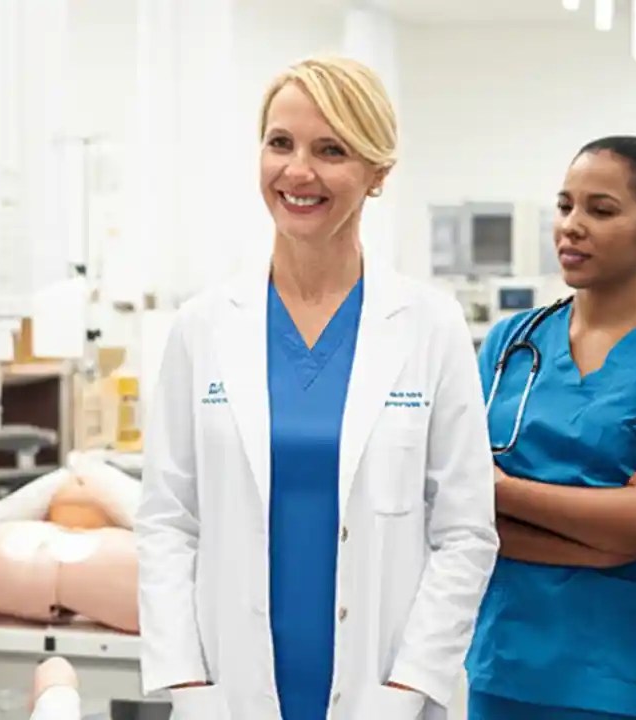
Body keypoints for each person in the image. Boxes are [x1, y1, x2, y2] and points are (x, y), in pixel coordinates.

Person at [135, 55, 498, 720]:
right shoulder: (203, 327)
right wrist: (187, 685)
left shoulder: (429, 325)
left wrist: (411, 685)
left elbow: (465, 532)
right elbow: (166, 521)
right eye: (281, 143)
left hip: (381, 692)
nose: (298, 171)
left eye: (330, 150)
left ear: (378, 171)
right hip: (228, 694)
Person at [467, 136, 636, 720]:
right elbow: (457, 508)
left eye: (600, 210)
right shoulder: (512, 344)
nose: (572, 226)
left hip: (618, 675)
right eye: (565, 207)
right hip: (502, 662)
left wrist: (504, 490)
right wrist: (605, 535)